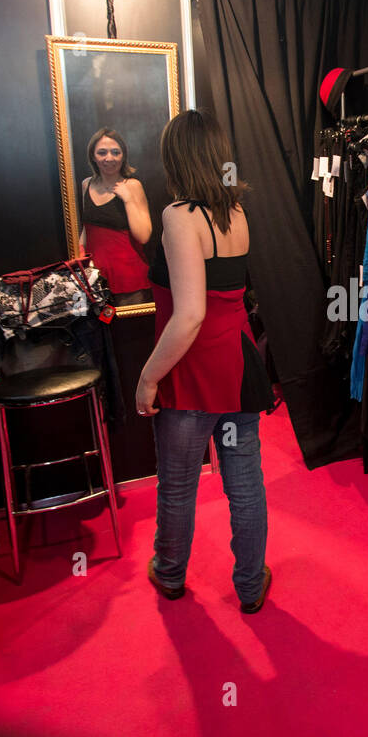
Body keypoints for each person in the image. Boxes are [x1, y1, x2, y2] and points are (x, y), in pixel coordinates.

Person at [135, 111, 275, 613]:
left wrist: (148, 378)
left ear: (175, 157)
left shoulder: (178, 216)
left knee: (178, 484)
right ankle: (250, 583)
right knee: (244, 482)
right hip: (235, 367)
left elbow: (190, 313)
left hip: (191, 372)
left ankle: (170, 574)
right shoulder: (235, 211)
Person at [80, 128, 152, 303]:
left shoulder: (133, 185)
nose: (109, 158)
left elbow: (143, 236)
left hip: (128, 278)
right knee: (94, 329)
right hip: (94, 277)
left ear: (123, 156)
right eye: (102, 152)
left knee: (130, 330)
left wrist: (127, 199)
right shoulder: (86, 184)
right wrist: (79, 258)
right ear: (93, 156)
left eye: (115, 152)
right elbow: (87, 228)